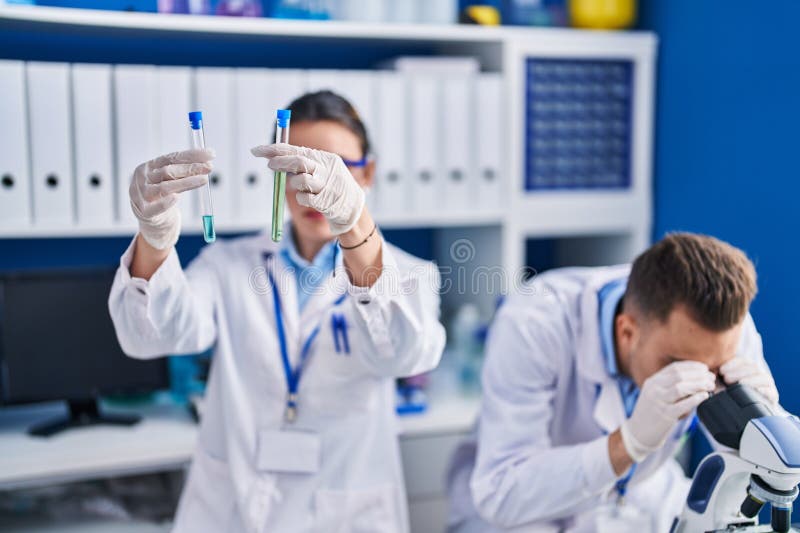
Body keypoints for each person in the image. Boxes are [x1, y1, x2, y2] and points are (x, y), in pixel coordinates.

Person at [109, 91, 445, 533]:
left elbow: (404, 354)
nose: (314, 190)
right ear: (277, 176)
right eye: (298, 170)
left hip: (346, 508)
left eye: (336, 170)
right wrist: (154, 236)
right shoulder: (228, 264)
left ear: (369, 174)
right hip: (233, 506)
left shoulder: (409, 274)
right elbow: (150, 336)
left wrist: (355, 227)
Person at [447, 233, 781, 533]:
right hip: (523, 512)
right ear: (626, 332)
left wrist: (762, 427)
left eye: (715, 369)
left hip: (641, 498)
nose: (702, 383)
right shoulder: (534, 325)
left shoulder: (722, 331)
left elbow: (752, 470)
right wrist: (629, 443)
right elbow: (502, 492)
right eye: (679, 365)